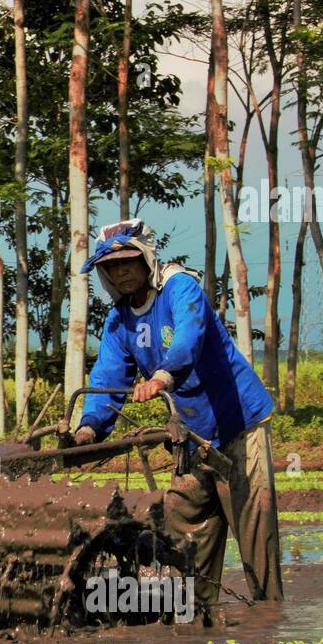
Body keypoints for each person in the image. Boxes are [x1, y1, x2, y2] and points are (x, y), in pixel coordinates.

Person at [73, 219, 283, 620]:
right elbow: (108, 377)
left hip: (238, 425)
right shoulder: (120, 321)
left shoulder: (179, 289)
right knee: (185, 527)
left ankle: (270, 619)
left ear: (146, 259)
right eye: (112, 267)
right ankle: (198, 616)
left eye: (128, 262)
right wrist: (87, 428)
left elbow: (189, 337)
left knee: (253, 530)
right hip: (191, 436)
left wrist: (162, 376)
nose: (122, 272)